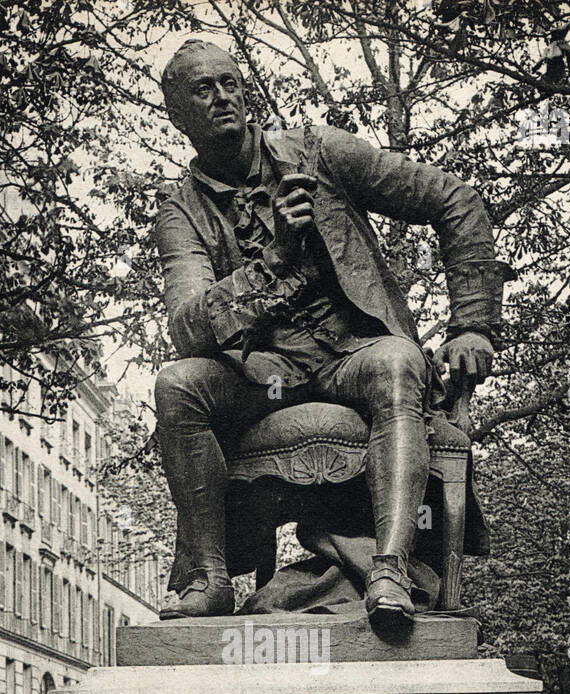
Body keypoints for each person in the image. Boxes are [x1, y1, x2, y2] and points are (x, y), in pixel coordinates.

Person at [153, 39, 507, 624]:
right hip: (266, 383)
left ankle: (389, 570)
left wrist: (474, 325)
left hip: (354, 354)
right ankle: (209, 579)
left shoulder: (318, 152)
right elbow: (189, 329)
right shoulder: (181, 210)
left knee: (398, 363)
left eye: (230, 82)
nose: (222, 98)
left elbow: (454, 200)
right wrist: (275, 260)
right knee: (177, 384)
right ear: (177, 115)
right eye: (202, 89)